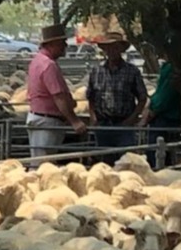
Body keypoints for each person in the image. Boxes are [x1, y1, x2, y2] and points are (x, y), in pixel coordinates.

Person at [26, 23, 88, 163]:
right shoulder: (49, 65)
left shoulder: (37, 61)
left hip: (39, 118)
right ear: (52, 44)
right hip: (47, 121)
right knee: (44, 165)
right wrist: (74, 121)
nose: (65, 46)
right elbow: (58, 96)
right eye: (62, 43)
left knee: (40, 161)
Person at [86, 31, 148, 163]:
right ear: (105, 50)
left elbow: (142, 97)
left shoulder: (132, 71)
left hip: (124, 125)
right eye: (109, 47)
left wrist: (132, 119)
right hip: (103, 125)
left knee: (126, 162)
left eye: (115, 47)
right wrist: (93, 117)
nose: (112, 50)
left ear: (121, 49)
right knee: (103, 164)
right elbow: (90, 96)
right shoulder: (96, 71)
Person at [140, 50, 181, 168]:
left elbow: (165, 95)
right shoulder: (170, 67)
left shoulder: (172, 69)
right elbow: (161, 93)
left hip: (165, 119)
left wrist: (151, 111)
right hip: (168, 117)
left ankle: (158, 172)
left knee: (157, 153)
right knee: (164, 153)